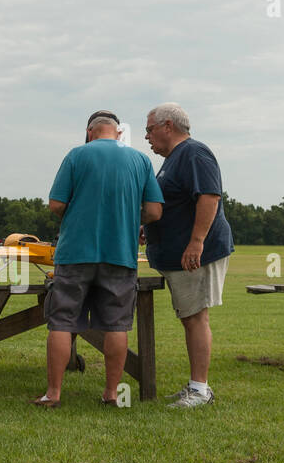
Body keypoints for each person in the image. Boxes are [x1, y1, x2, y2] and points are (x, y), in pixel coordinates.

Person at [34, 110, 163, 407]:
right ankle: (110, 394)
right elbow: (155, 212)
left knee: (61, 322)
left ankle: (53, 393)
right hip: (120, 254)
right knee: (117, 325)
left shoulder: (76, 156)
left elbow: (56, 204)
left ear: (90, 132)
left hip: (75, 253)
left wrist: (76, 216)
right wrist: (131, 219)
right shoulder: (140, 160)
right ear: (117, 133)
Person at [142, 102, 233, 408]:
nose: (146, 137)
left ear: (168, 126)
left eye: (149, 129)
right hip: (176, 254)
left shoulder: (194, 152)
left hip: (194, 254)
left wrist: (196, 242)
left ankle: (200, 390)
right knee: (190, 317)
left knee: (195, 318)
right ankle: (196, 386)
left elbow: (209, 196)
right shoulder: (172, 160)